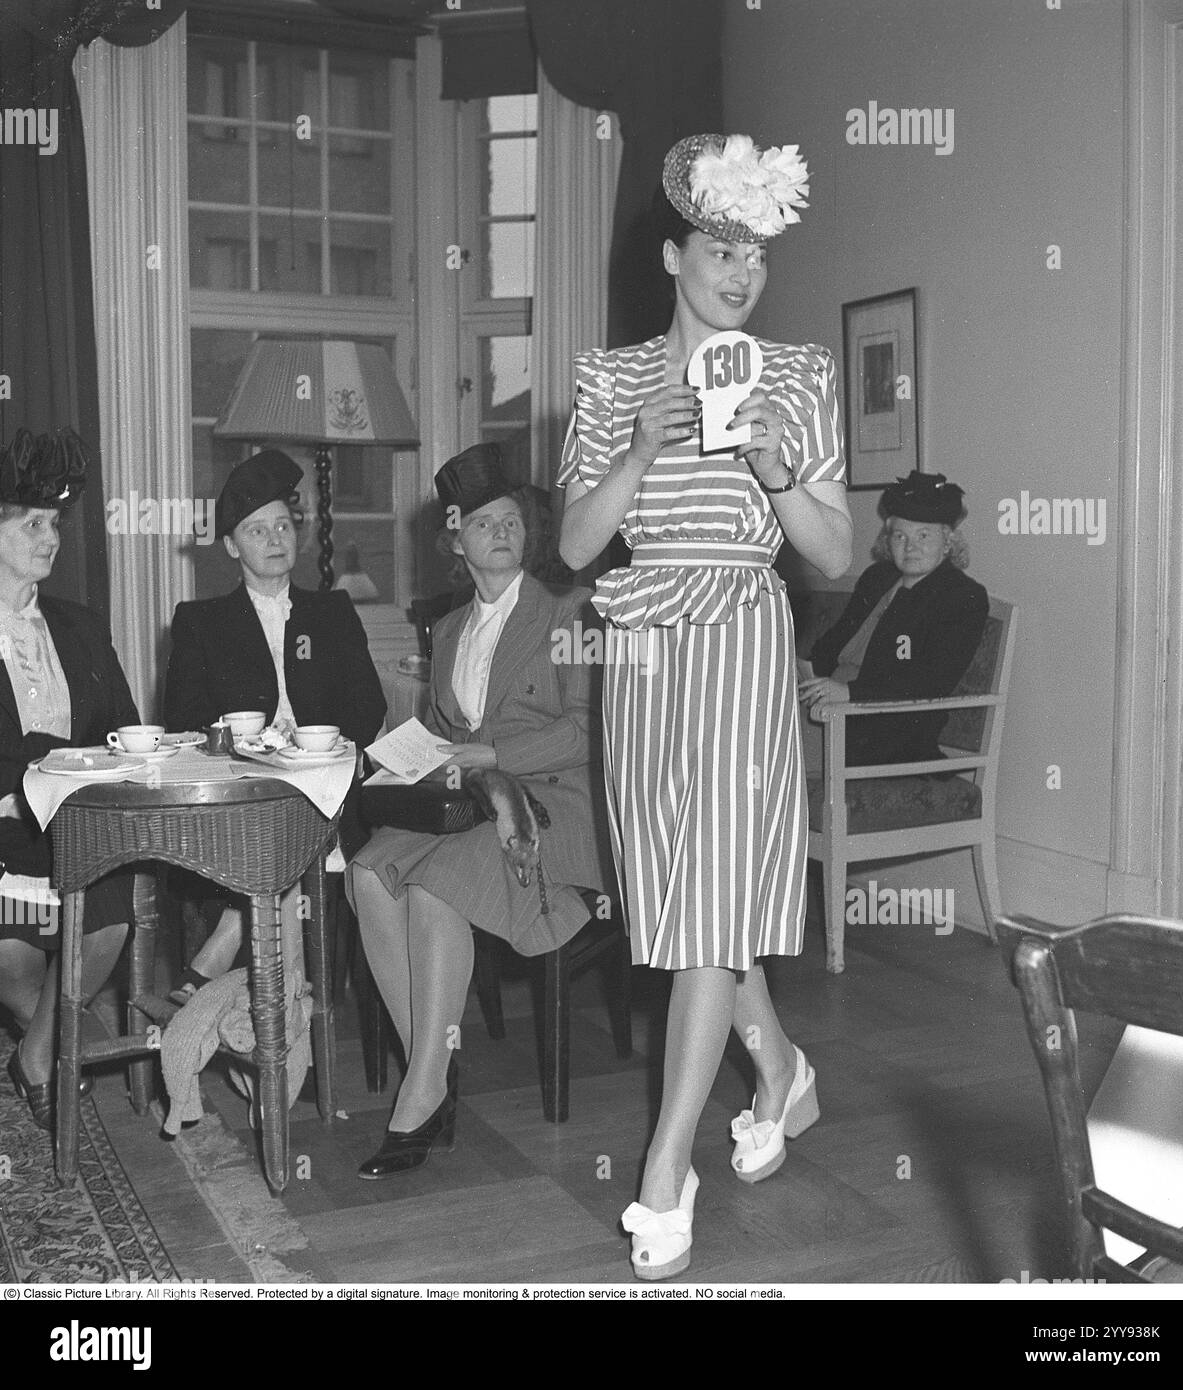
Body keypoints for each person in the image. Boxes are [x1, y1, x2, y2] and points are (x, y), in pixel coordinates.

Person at [558, 132, 853, 1279]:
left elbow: (831, 554)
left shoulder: (799, 377)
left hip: (738, 637)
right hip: (639, 654)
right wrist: (635, 454)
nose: (740, 274)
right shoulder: (609, 376)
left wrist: (780, 475)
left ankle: (662, 1171)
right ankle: (778, 1070)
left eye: (758, 257)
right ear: (675, 252)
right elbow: (577, 543)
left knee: (709, 912)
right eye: (722, 250)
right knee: (682, 901)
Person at [348, 443, 614, 1179]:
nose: (502, 532)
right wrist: (410, 752)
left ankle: (420, 1093)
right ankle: (432, 1065)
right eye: (484, 523)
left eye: (512, 521)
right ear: (455, 540)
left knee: (437, 889)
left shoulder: (572, 609)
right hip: (470, 802)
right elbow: (444, 730)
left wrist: (489, 758)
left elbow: (590, 729)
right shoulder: (447, 628)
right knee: (367, 875)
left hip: (557, 805)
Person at [163, 449, 386, 996]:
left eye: (283, 525)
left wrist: (322, 743)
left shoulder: (331, 613)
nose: (275, 539)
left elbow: (368, 705)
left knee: (296, 808)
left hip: (327, 787)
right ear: (232, 546)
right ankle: (291, 1025)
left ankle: (229, 944)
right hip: (242, 795)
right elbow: (183, 723)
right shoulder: (201, 623)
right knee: (281, 819)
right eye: (256, 530)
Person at [0, 428, 139, 1130]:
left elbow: (122, 727)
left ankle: (35, 1058)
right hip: (1, 839)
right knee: (19, 970)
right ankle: (55, 1041)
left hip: (76, 831)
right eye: (33, 523)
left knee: (105, 913)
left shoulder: (80, 626)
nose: (50, 537)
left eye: (54, 524)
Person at [799, 471, 989, 766]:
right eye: (900, 536)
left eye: (923, 535)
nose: (909, 546)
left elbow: (931, 682)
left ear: (948, 542)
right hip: (832, 709)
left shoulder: (962, 597)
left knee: (773, 748)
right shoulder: (878, 579)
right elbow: (833, 644)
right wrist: (802, 670)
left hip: (890, 730)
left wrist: (848, 693)